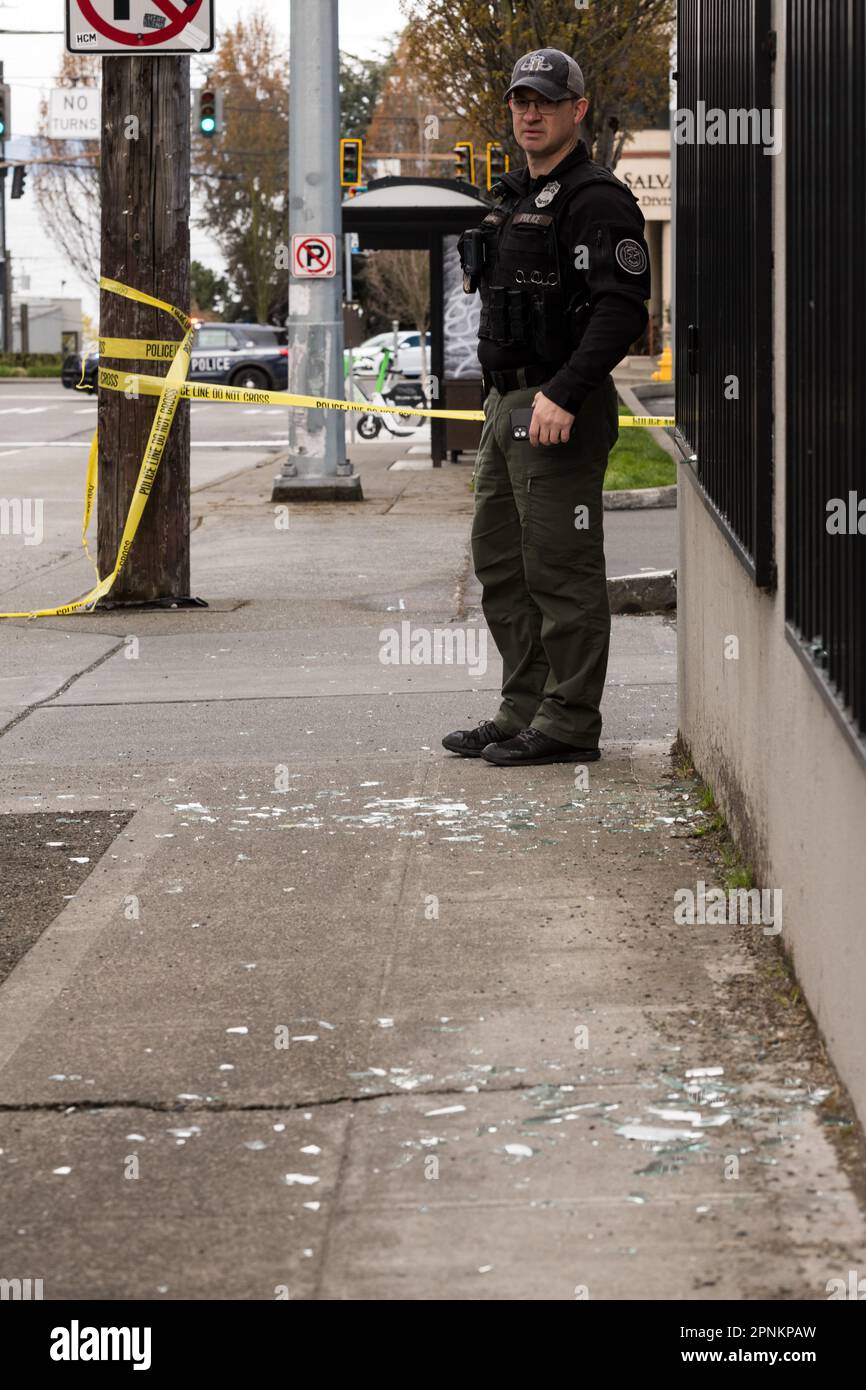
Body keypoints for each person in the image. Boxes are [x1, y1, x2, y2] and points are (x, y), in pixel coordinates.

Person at [443, 47, 651, 767]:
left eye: (546, 101)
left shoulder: (596, 199)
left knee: (559, 569)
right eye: (521, 101)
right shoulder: (517, 197)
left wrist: (564, 391)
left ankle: (568, 721)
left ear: (577, 110)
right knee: (501, 564)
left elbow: (621, 311)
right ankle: (523, 706)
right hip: (508, 406)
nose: (531, 112)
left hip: (557, 404)